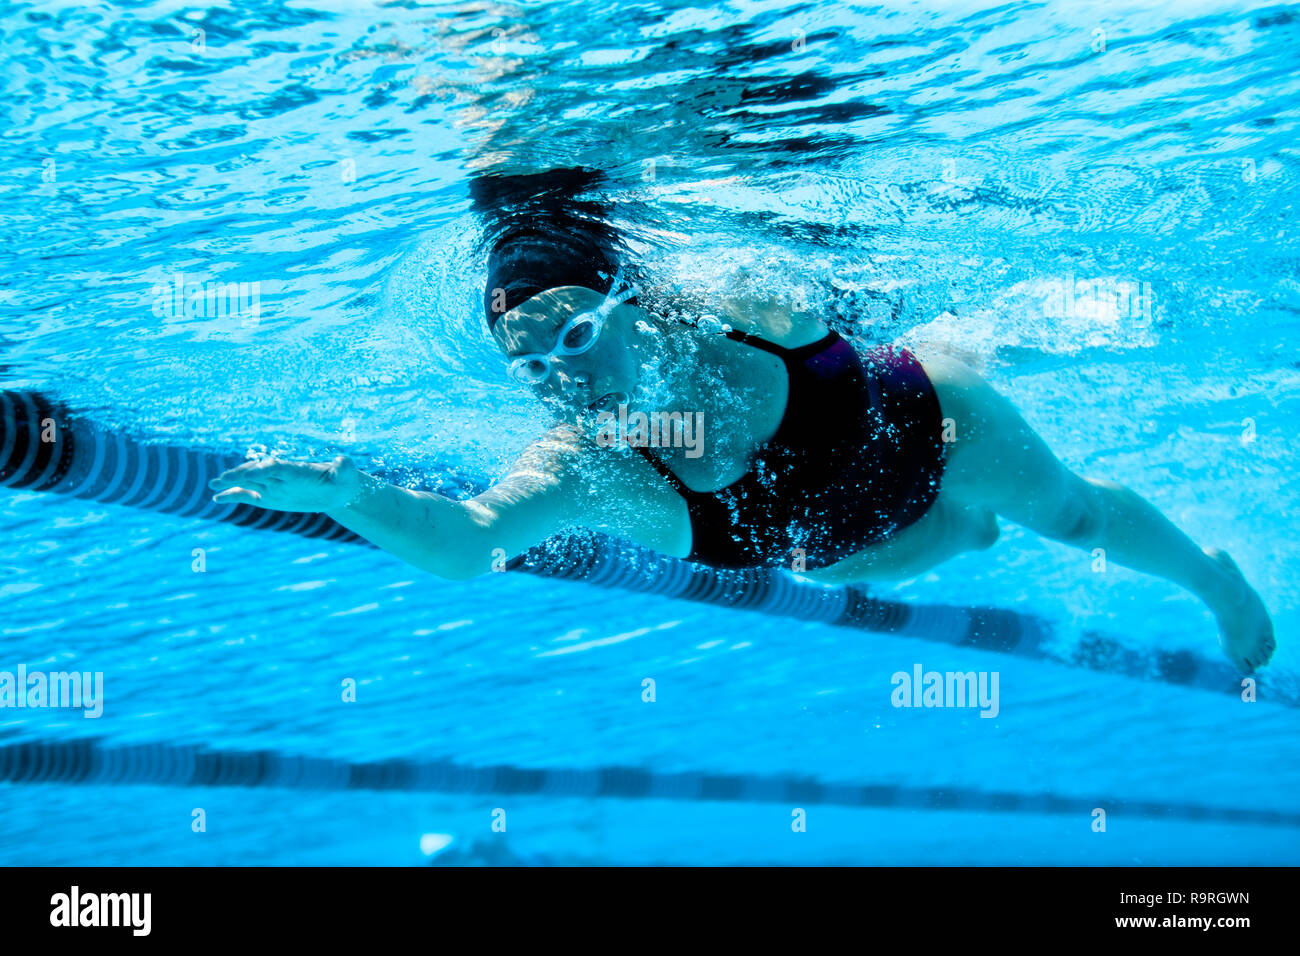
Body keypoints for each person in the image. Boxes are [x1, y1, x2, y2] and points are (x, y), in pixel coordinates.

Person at [209, 168, 1275, 673]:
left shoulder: (739, 303)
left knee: (1069, 515)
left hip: (923, 426)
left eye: (573, 339)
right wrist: (354, 496)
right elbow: (466, 543)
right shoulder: (585, 464)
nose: (560, 382)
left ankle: (1213, 574)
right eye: (526, 363)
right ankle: (961, 514)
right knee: (958, 537)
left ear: (627, 302)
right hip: (845, 544)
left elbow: (859, 284)